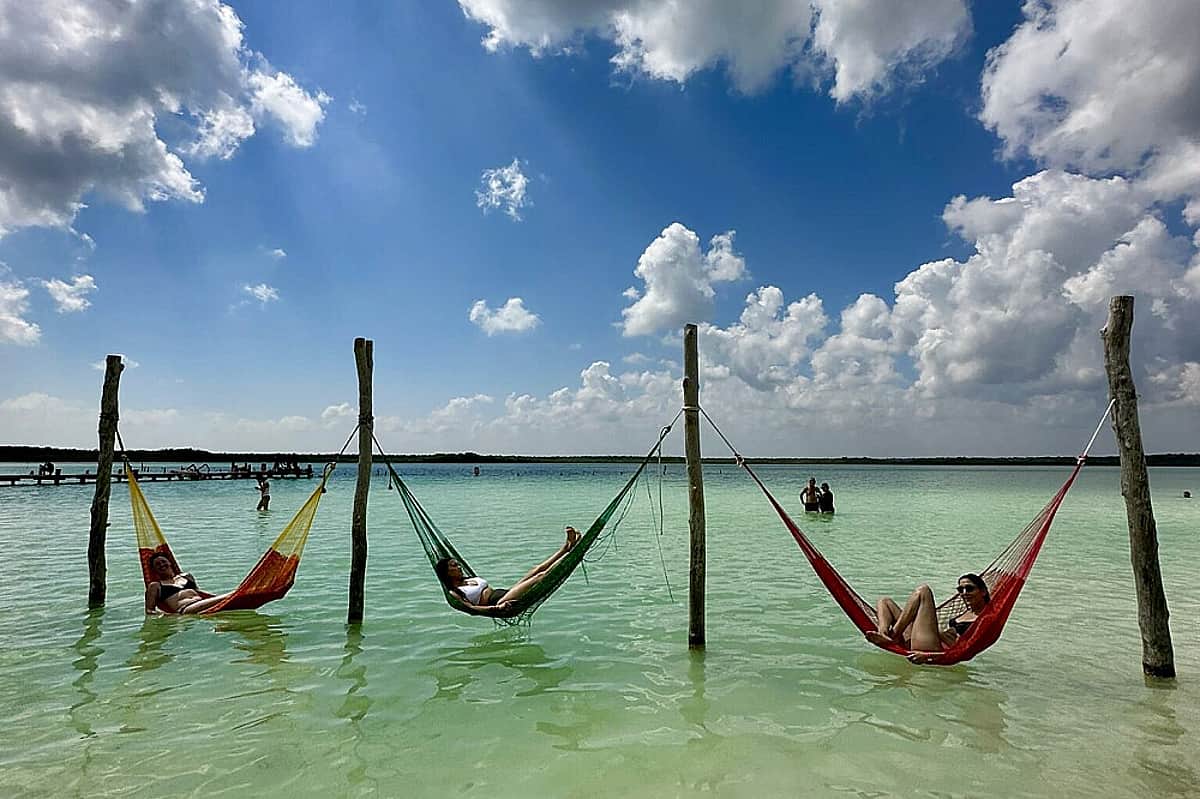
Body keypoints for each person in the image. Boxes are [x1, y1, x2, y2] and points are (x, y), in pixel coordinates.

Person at [434, 526, 582, 616]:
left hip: (504, 592)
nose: (459, 567)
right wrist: (497, 608)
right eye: (454, 566)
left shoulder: (466, 579)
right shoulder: (454, 592)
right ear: (447, 572)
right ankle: (571, 554)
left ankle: (565, 548)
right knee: (540, 577)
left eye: (458, 564)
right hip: (500, 603)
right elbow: (472, 609)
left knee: (536, 570)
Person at [865, 573, 991, 664]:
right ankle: (883, 633)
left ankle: (893, 636)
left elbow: (964, 653)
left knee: (923, 591)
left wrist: (927, 656)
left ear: (983, 592)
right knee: (885, 602)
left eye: (969, 588)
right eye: (960, 589)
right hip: (929, 641)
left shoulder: (985, 619)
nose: (964, 592)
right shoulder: (967, 611)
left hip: (933, 650)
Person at [144, 553, 233, 614]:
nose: (162, 565)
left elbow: (199, 592)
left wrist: (215, 597)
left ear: (170, 562)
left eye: (163, 561)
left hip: (202, 603)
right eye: (157, 564)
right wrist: (170, 616)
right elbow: (149, 611)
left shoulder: (186, 576)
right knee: (233, 594)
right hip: (187, 609)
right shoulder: (155, 586)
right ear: (154, 569)